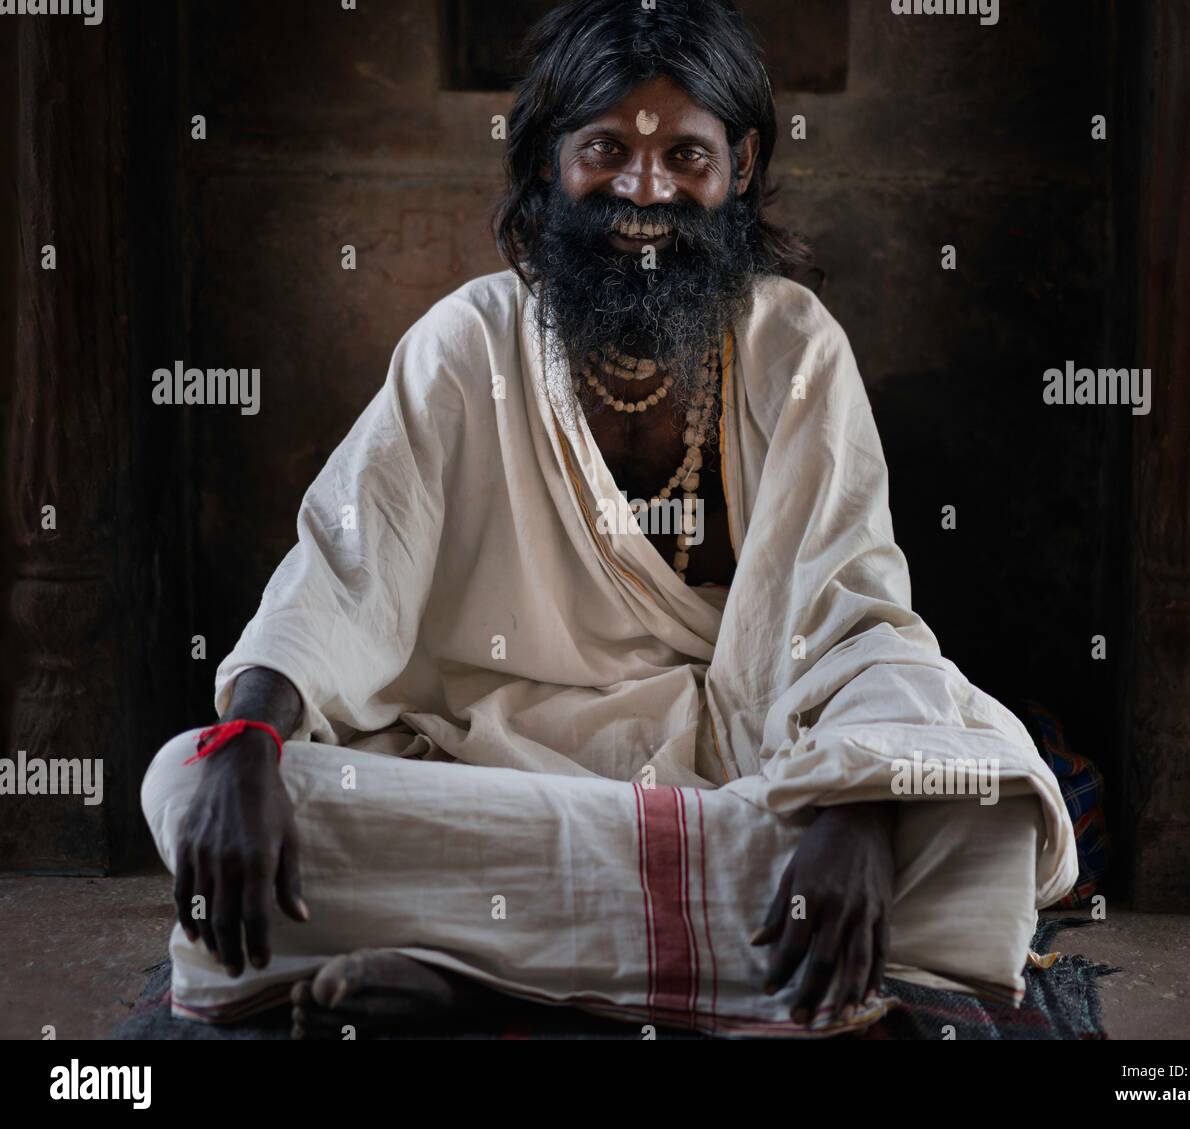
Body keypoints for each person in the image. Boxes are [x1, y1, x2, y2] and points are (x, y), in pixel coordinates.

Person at [142, 0, 1076, 1039]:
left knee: (974, 811)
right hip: (485, 768)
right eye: (604, 151)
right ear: (549, 159)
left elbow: (852, 609)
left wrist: (854, 804)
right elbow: (345, 568)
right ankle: (677, 964)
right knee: (192, 786)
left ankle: (482, 968)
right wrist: (252, 735)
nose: (645, 191)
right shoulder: (466, 343)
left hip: (734, 761)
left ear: (742, 163)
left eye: (686, 152)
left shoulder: (791, 347)